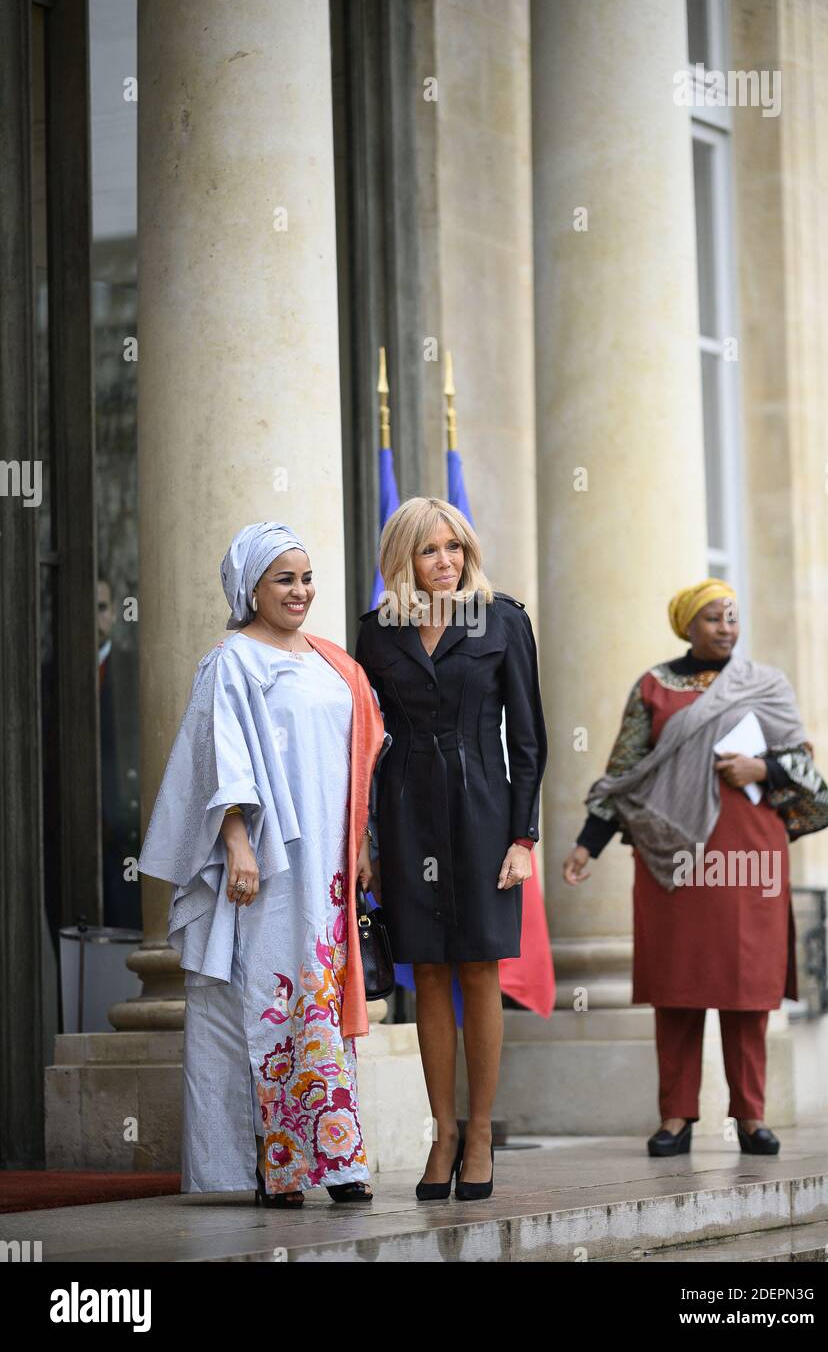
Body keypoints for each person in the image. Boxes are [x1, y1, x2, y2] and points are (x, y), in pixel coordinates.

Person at [138, 522, 390, 1206]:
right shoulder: (231, 660)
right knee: (265, 1000)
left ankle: (339, 1158)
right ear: (251, 589)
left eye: (307, 578)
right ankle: (278, 1163)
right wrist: (237, 845)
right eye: (285, 579)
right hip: (269, 865)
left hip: (329, 870)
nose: (300, 591)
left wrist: (362, 842)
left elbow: (359, 763)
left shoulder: (335, 664)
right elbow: (220, 757)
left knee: (321, 1001)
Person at [563, 580, 828, 1157]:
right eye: (714, 618)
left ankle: (751, 1117)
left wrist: (761, 767)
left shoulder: (765, 684)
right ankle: (676, 1117)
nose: (726, 627)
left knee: (748, 989)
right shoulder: (654, 687)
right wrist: (589, 843)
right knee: (678, 986)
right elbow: (625, 772)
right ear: (687, 624)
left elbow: (804, 765)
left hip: (749, 854)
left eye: (733, 617)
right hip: (674, 857)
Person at [355, 497, 547, 1201]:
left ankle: (482, 1132)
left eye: (455, 548)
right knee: (427, 973)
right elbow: (364, 748)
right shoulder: (376, 634)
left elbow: (528, 741)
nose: (446, 562)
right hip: (406, 815)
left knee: (478, 968)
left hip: (483, 814)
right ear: (403, 558)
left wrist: (524, 836)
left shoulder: (503, 620)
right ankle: (442, 1133)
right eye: (431, 550)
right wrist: (366, 838)